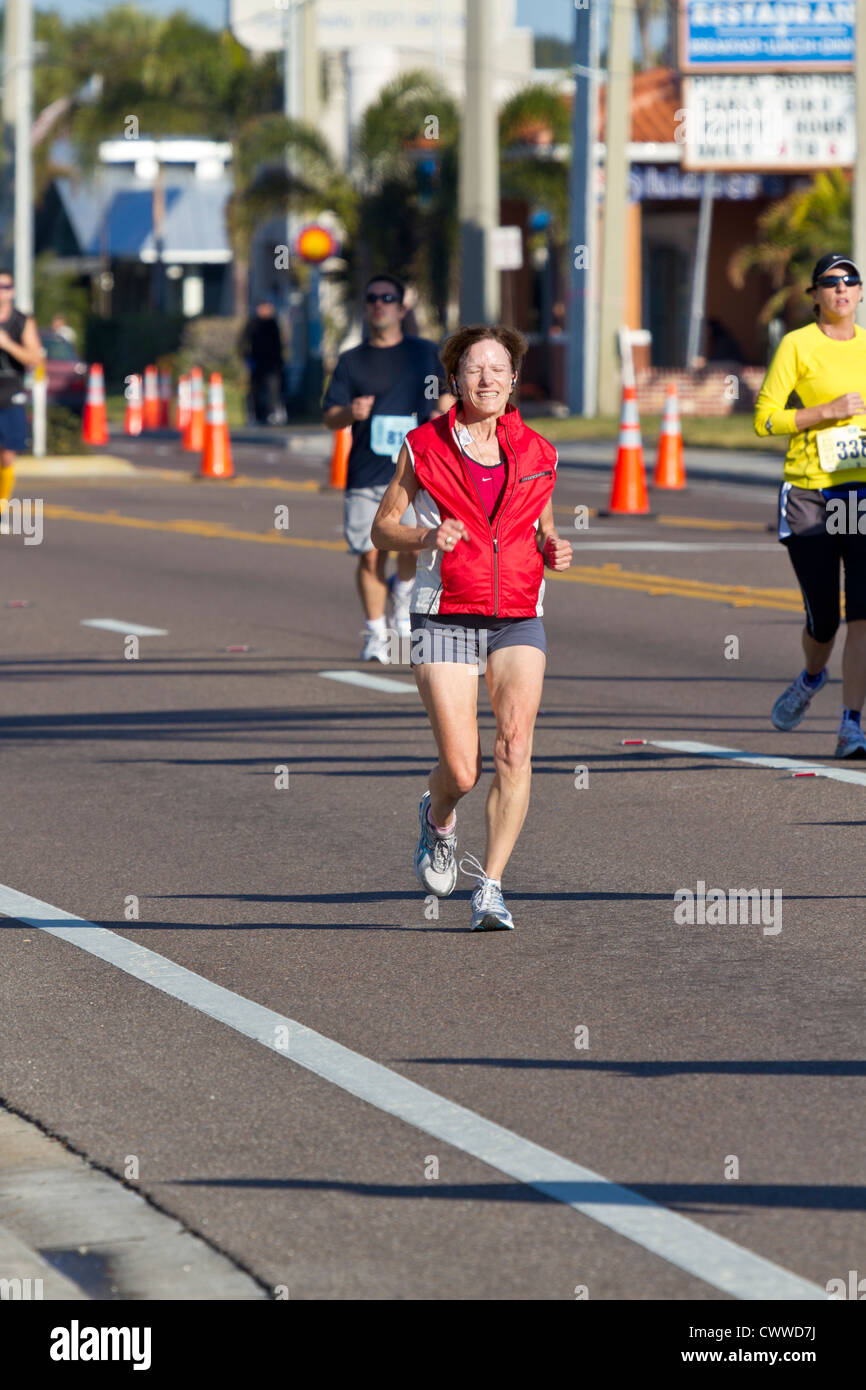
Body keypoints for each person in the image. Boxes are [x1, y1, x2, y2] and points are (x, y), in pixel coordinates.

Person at [370, 324, 572, 931]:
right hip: (444, 611)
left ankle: (493, 886)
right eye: (474, 368)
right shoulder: (423, 446)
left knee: (514, 747)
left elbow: (543, 528)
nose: (487, 378)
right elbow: (382, 528)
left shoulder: (538, 451)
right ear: (456, 379)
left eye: (498, 368)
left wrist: (555, 546)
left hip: (517, 614)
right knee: (463, 768)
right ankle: (438, 818)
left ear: (514, 380)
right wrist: (426, 536)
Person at [754, 252, 866, 758]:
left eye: (850, 282)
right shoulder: (797, 345)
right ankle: (812, 675)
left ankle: (850, 725)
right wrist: (827, 411)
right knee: (825, 618)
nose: (841, 290)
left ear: (860, 293)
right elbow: (765, 419)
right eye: (830, 283)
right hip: (810, 492)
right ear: (816, 296)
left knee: (862, 610)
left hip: (858, 492)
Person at [323, 275, 455, 662]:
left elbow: (445, 394)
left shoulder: (423, 353)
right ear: (366, 307)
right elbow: (330, 417)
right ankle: (376, 631)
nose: (379, 304)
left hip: (417, 472)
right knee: (369, 554)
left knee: (412, 545)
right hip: (367, 470)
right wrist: (351, 412)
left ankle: (402, 605)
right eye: (372, 298)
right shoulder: (352, 360)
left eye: (387, 298)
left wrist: (440, 410)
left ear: (401, 307)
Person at [0, 269, 45, 521]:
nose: (1, 292)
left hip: (10, 393)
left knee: (7, 454)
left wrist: (7, 344)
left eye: (5, 287)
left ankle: (1, 507)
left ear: (12, 291)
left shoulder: (21, 322)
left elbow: (35, 359)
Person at [238, 301, 285, 424]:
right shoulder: (252, 323)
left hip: (272, 363)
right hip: (257, 361)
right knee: (255, 390)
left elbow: (278, 343)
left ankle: (272, 413)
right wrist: (246, 357)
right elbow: (243, 341)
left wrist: (279, 360)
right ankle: (256, 415)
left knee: (273, 389)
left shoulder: (273, 323)